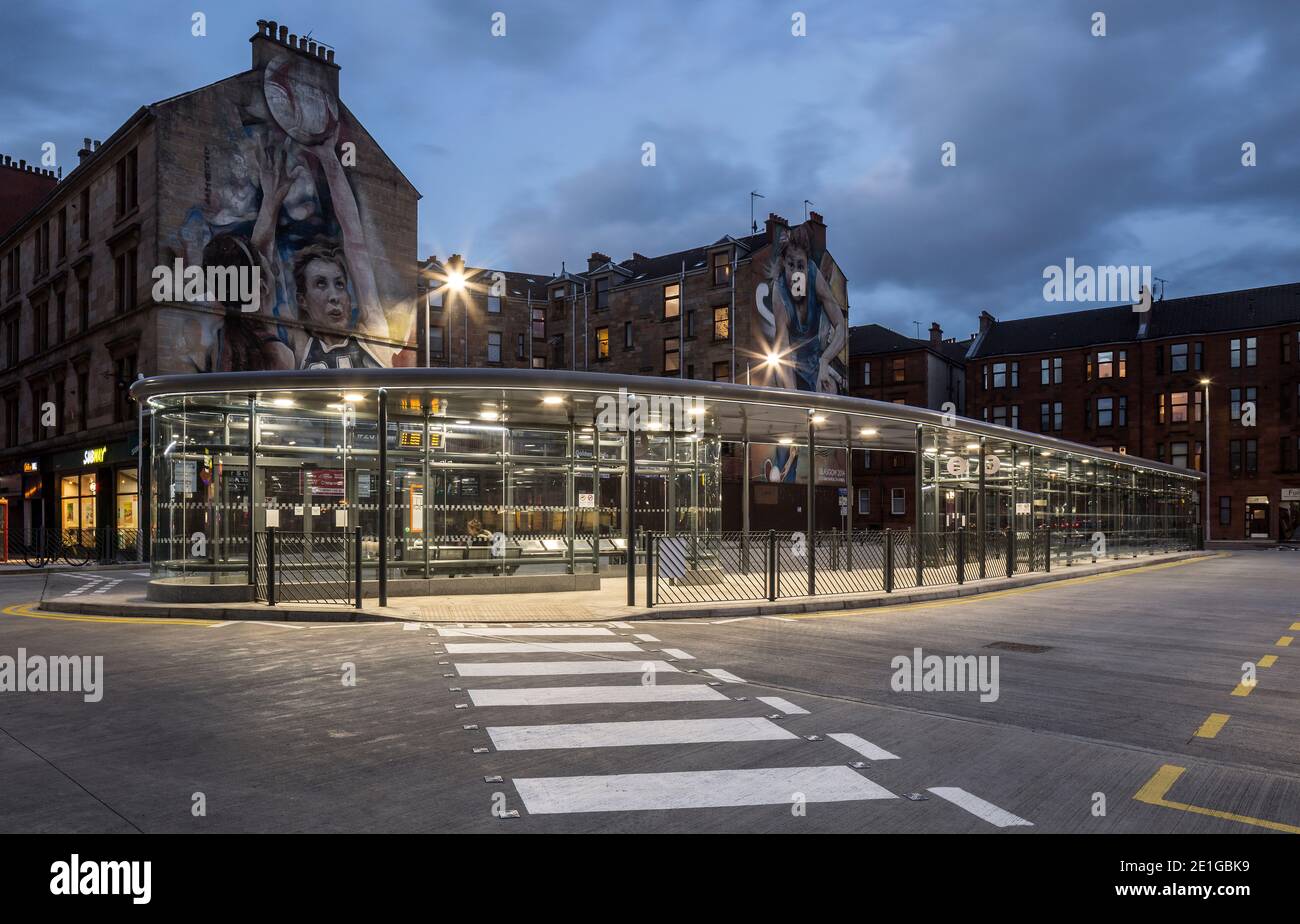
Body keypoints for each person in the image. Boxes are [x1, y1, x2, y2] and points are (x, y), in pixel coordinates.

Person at [767, 225, 847, 394]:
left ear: (807, 265)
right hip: (790, 365)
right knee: (785, 388)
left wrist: (825, 361)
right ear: (783, 263)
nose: (796, 274)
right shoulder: (779, 292)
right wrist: (794, 396)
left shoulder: (813, 275)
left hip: (815, 363)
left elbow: (841, 325)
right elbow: (782, 349)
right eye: (791, 265)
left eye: (800, 266)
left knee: (829, 388)